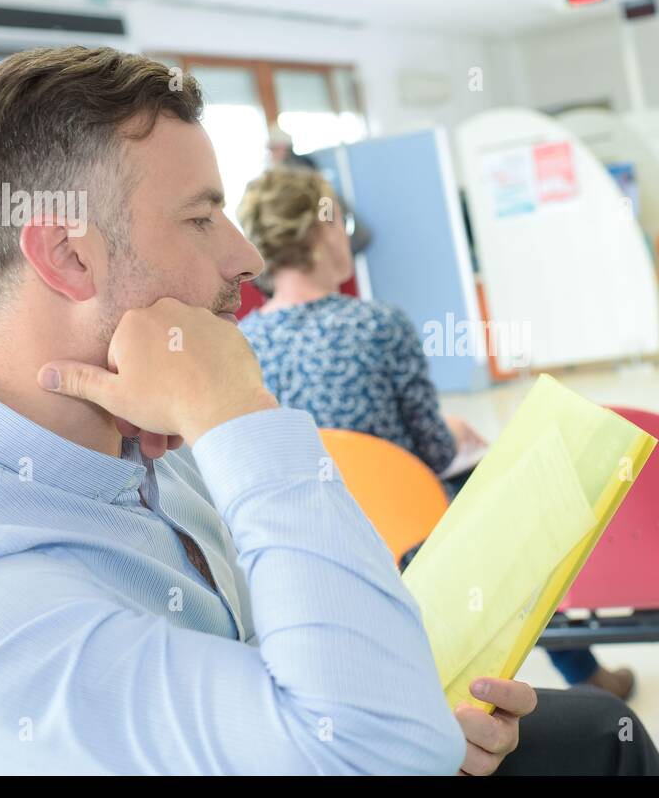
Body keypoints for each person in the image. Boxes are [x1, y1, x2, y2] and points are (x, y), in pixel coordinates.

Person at [0, 46, 659, 776]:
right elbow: (365, 750)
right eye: (200, 218)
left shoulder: (146, 431)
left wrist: (409, 707)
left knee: (596, 738)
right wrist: (236, 414)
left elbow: (292, 670)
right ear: (69, 255)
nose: (247, 256)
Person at [235, 165, 638, 701]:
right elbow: (434, 449)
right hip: (406, 535)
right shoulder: (379, 324)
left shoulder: (245, 341)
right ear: (319, 232)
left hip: (312, 536)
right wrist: (449, 430)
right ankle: (584, 674)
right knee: (520, 518)